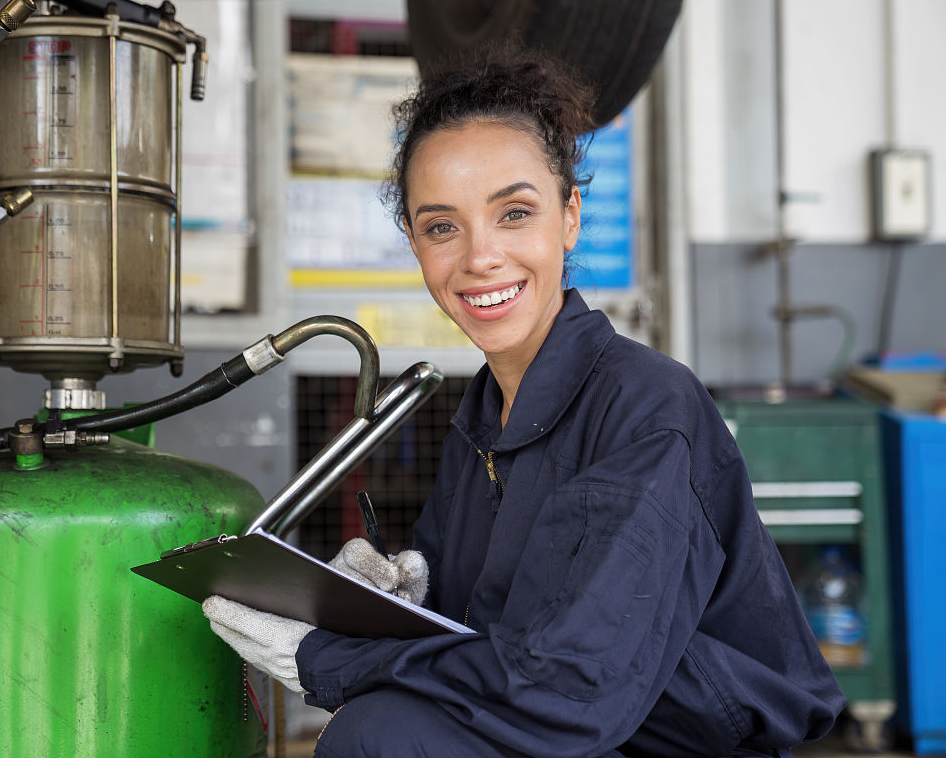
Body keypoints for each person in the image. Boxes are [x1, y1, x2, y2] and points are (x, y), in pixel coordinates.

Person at [203, 50, 845, 757]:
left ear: (569, 217)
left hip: (671, 745)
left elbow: (567, 688)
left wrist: (330, 658)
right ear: (414, 243)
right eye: (442, 226)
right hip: (574, 729)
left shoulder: (645, 409)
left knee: (380, 738)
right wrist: (396, 607)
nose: (480, 257)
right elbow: (476, 635)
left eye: (514, 213)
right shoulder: (482, 416)